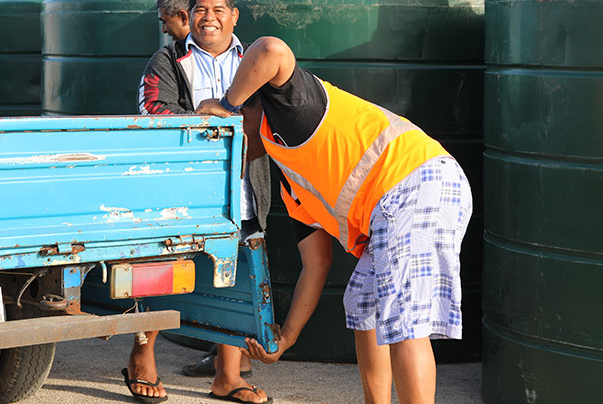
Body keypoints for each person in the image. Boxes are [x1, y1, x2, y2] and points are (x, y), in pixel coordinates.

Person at [196, 37, 472, 404]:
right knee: (364, 305)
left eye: (228, 135)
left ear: (250, 108)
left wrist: (227, 105)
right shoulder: (291, 182)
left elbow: (270, 51)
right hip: (395, 204)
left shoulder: (292, 109)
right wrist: (287, 338)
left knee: (404, 321)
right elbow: (316, 264)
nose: (230, 149)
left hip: (416, 183)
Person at [128, 0, 272, 404]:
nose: (210, 18)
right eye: (201, 10)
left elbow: (274, 116)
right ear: (189, 15)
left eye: (219, 10)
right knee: (161, 275)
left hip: (244, 191)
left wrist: (228, 120)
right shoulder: (168, 59)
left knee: (233, 282)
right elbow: (153, 112)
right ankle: (142, 358)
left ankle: (228, 376)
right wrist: (211, 116)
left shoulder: (253, 60)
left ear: (234, 16)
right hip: (182, 193)